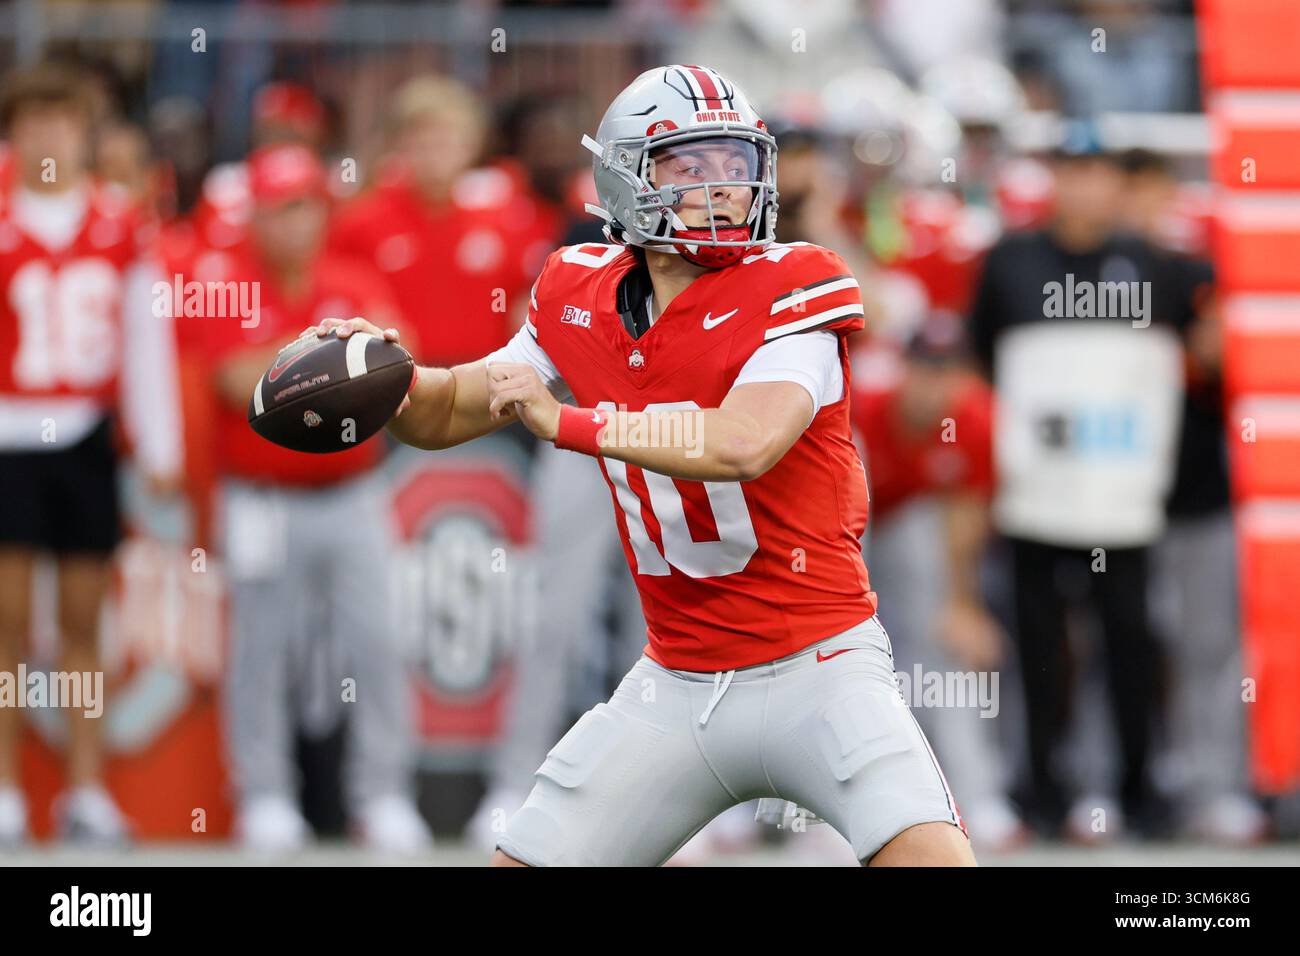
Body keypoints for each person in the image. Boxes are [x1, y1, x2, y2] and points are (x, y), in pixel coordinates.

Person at [308, 65, 975, 866]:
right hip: (675, 683)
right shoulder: (576, 289)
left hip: (819, 668)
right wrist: (381, 374)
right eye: (691, 166)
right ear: (626, 177)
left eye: (737, 164)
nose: (723, 186)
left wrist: (571, 422)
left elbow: (741, 443)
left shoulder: (797, 283)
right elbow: (452, 407)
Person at [193, 143, 430, 854]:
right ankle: (263, 796)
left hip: (353, 489)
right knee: (262, 649)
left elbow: (402, 357)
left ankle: (382, 794)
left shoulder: (351, 278)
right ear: (257, 215)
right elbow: (235, 379)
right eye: (282, 208)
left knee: (379, 642)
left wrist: (300, 366)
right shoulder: (223, 279)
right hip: (264, 495)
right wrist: (327, 360)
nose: (297, 223)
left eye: (306, 206)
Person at [967, 120, 1189, 839]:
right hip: (1035, 496)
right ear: (1053, 177)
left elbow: (1197, 350)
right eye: (1072, 169)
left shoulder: (1156, 266)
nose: (1085, 185)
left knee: (1130, 644)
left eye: (1099, 172)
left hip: (1122, 499)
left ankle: (1137, 788)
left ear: (1118, 184)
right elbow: (978, 368)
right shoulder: (1010, 262)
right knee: (1037, 650)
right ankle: (1041, 788)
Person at [0, 62, 182, 845]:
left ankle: (84, 787)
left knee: (83, 620)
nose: (49, 137)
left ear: (85, 132)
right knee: (5, 623)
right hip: (7, 429)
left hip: (83, 437)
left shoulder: (119, 220)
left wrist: (159, 439)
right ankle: (6, 790)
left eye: (63, 121)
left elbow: (147, 341)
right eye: (34, 121)